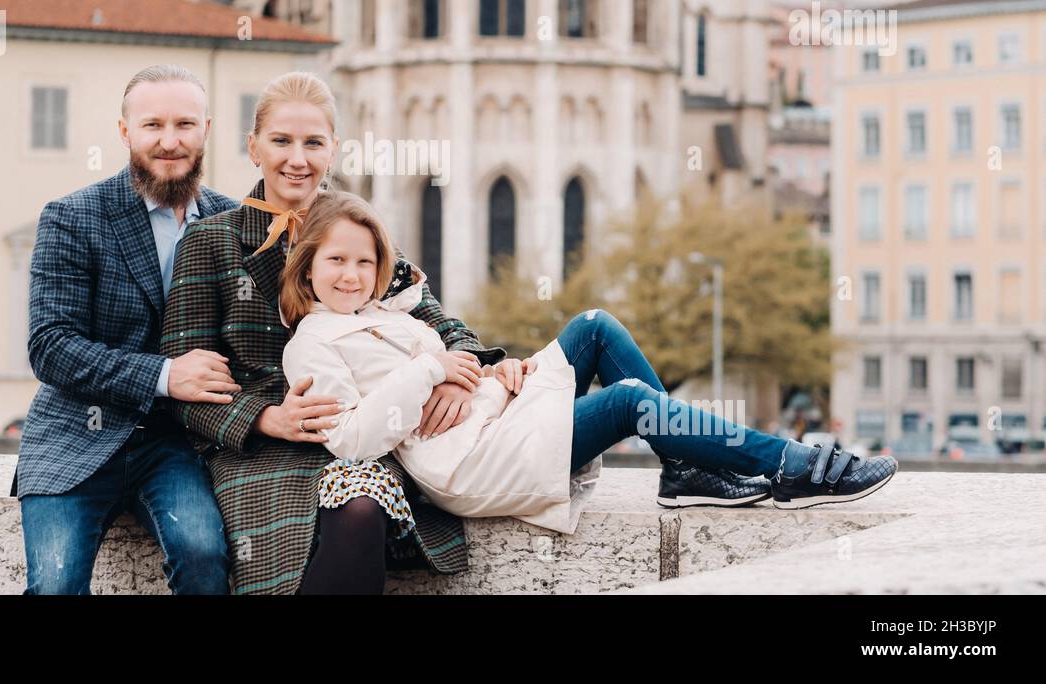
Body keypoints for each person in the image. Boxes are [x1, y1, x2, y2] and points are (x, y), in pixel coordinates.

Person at [279, 190, 899, 525]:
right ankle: (798, 466)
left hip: (494, 423)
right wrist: (430, 371)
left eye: (364, 261)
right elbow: (352, 439)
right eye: (336, 260)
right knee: (629, 402)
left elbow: (448, 377)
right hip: (469, 465)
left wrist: (497, 375)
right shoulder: (312, 343)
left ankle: (682, 471)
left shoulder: (384, 315)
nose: (353, 274)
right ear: (307, 267)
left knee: (594, 326)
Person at [161, 71, 507, 594]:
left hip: (363, 437)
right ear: (253, 147)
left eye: (313, 143)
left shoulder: (355, 228)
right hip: (258, 452)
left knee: (362, 510)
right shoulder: (211, 241)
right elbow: (183, 389)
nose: (297, 158)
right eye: (281, 141)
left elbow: (443, 325)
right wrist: (266, 418)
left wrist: (458, 373)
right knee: (317, 528)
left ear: (334, 150)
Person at [14, 64, 239, 594]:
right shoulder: (71, 216)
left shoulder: (234, 222)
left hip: (175, 444)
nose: (169, 141)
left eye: (184, 125)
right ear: (125, 133)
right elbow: (50, 347)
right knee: (54, 586)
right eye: (152, 125)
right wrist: (164, 376)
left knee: (206, 559)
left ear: (206, 129)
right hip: (72, 436)